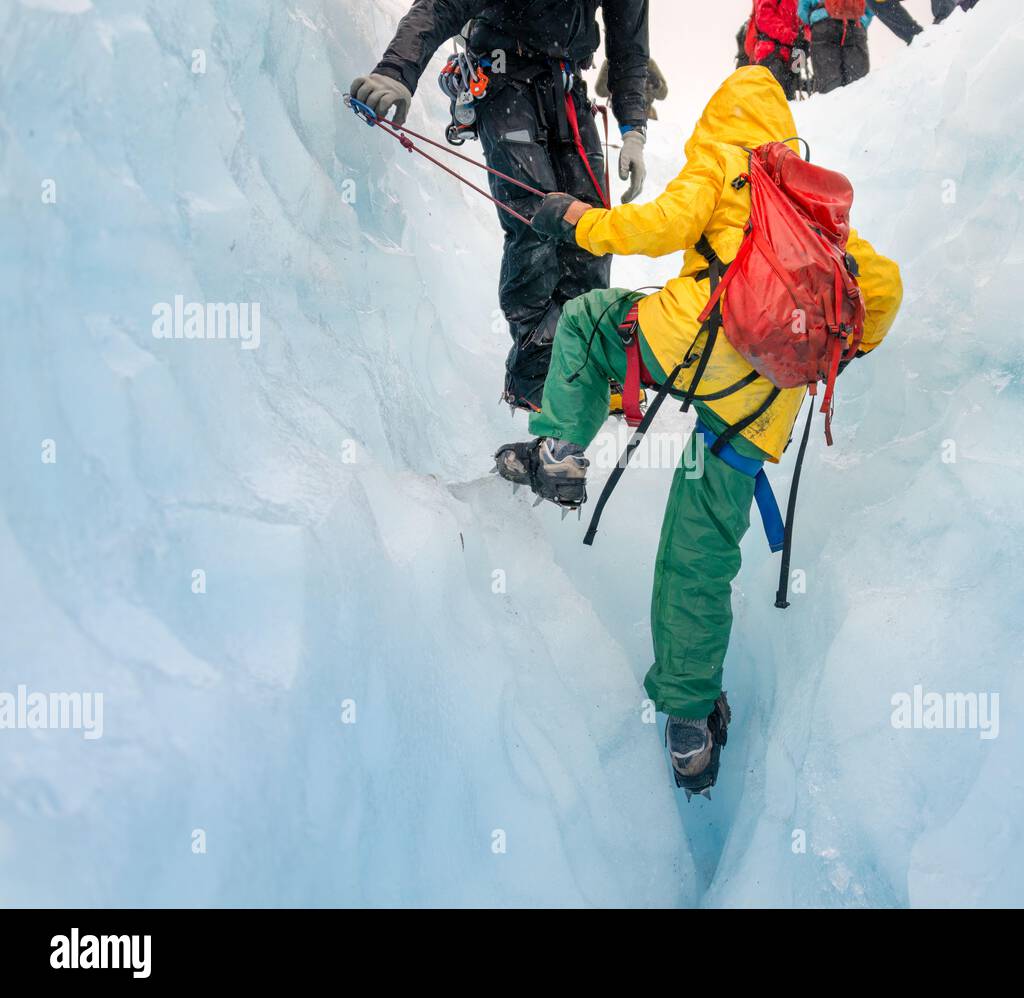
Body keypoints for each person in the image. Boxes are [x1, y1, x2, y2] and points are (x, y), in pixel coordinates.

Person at [493, 67, 903, 794]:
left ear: (722, 111)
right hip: (763, 400)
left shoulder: (724, 159)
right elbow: (881, 290)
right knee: (700, 551)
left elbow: (660, 228)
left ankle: (558, 449)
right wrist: (828, 348)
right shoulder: (811, 209)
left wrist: (576, 218)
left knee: (591, 322)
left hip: (693, 340)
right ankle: (689, 726)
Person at [349, 1, 650, 414]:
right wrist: (395, 72)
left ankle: (586, 366)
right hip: (503, 78)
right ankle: (536, 378)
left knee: (592, 229)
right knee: (538, 221)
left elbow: (629, 44)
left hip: (566, 87)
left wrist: (633, 129)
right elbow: (442, 7)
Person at [799, 0, 873, 94]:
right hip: (855, 25)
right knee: (858, 84)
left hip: (824, 26)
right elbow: (872, 7)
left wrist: (814, 20)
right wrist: (863, 22)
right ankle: (859, 106)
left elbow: (802, 11)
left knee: (829, 85)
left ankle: (834, 106)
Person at [745, 0, 807, 100]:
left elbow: (796, 22)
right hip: (772, 56)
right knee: (773, 103)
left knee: (785, 104)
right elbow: (764, 18)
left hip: (787, 58)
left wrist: (803, 40)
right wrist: (793, 37)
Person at [595, 57, 667, 120]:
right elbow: (600, 90)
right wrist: (614, 80)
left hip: (646, 114)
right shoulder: (611, 62)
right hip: (619, 115)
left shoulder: (648, 63)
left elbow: (663, 94)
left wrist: (657, 83)